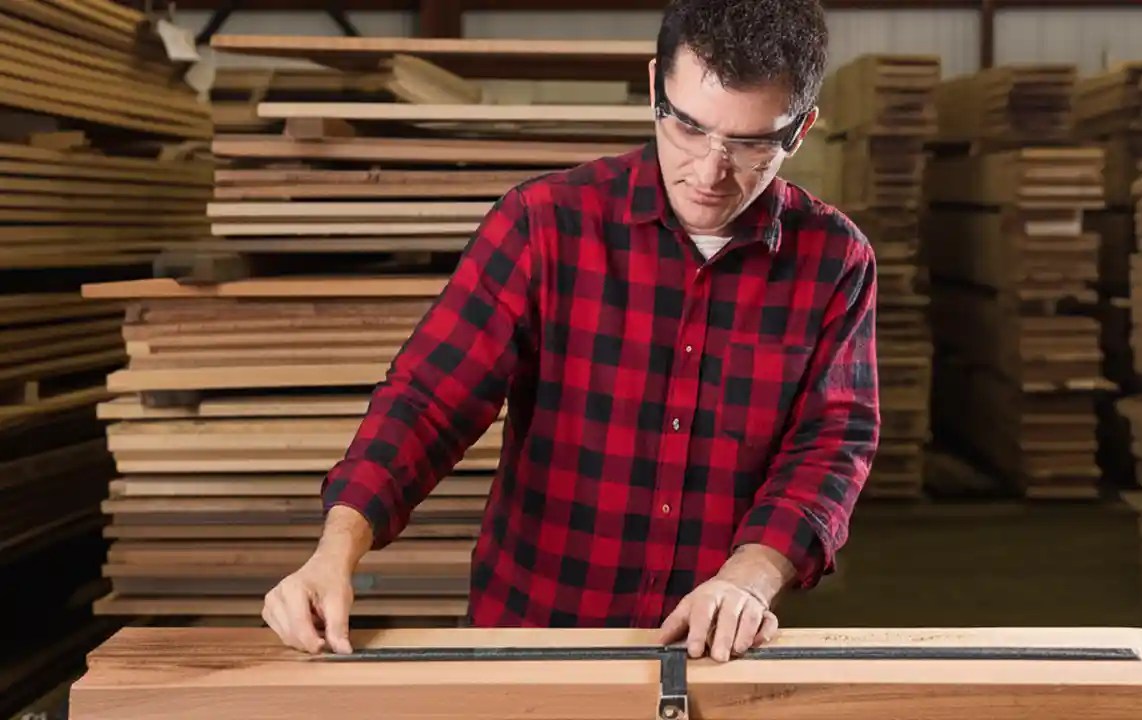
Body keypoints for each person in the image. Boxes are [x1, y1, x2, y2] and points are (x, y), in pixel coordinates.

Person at [261, 0, 880, 664]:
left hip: (711, 649)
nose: (709, 171)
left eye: (750, 144)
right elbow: (429, 400)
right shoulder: (543, 225)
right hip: (529, 634)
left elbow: (830, 443)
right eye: (688, 127)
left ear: (801, 129)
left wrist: (749, 578)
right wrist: (336, 551)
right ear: (655, 86)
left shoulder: (835, 261)